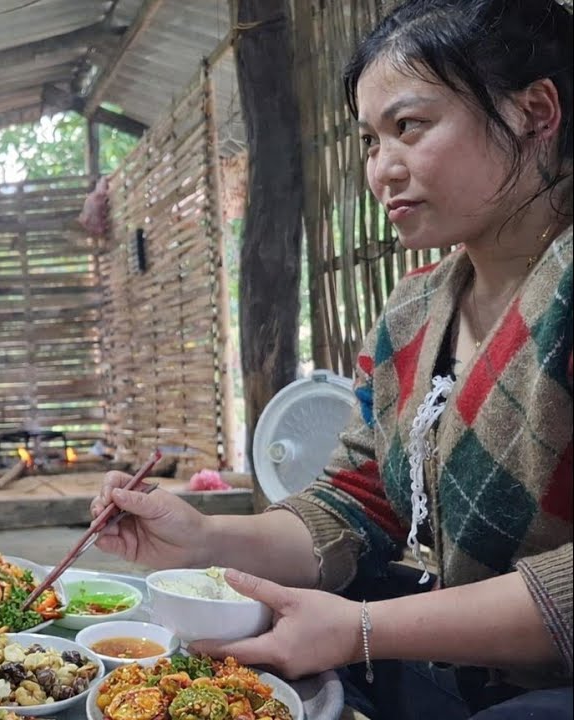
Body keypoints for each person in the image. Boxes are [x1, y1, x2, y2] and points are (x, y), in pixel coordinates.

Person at [92, 1, 572, 718]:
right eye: (371, 141)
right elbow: (363, 499)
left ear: (536, 112)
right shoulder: (414, 310)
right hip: (436, 669)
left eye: (409, 126)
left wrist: (363, 630)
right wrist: (204, 538)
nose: (383, 169)